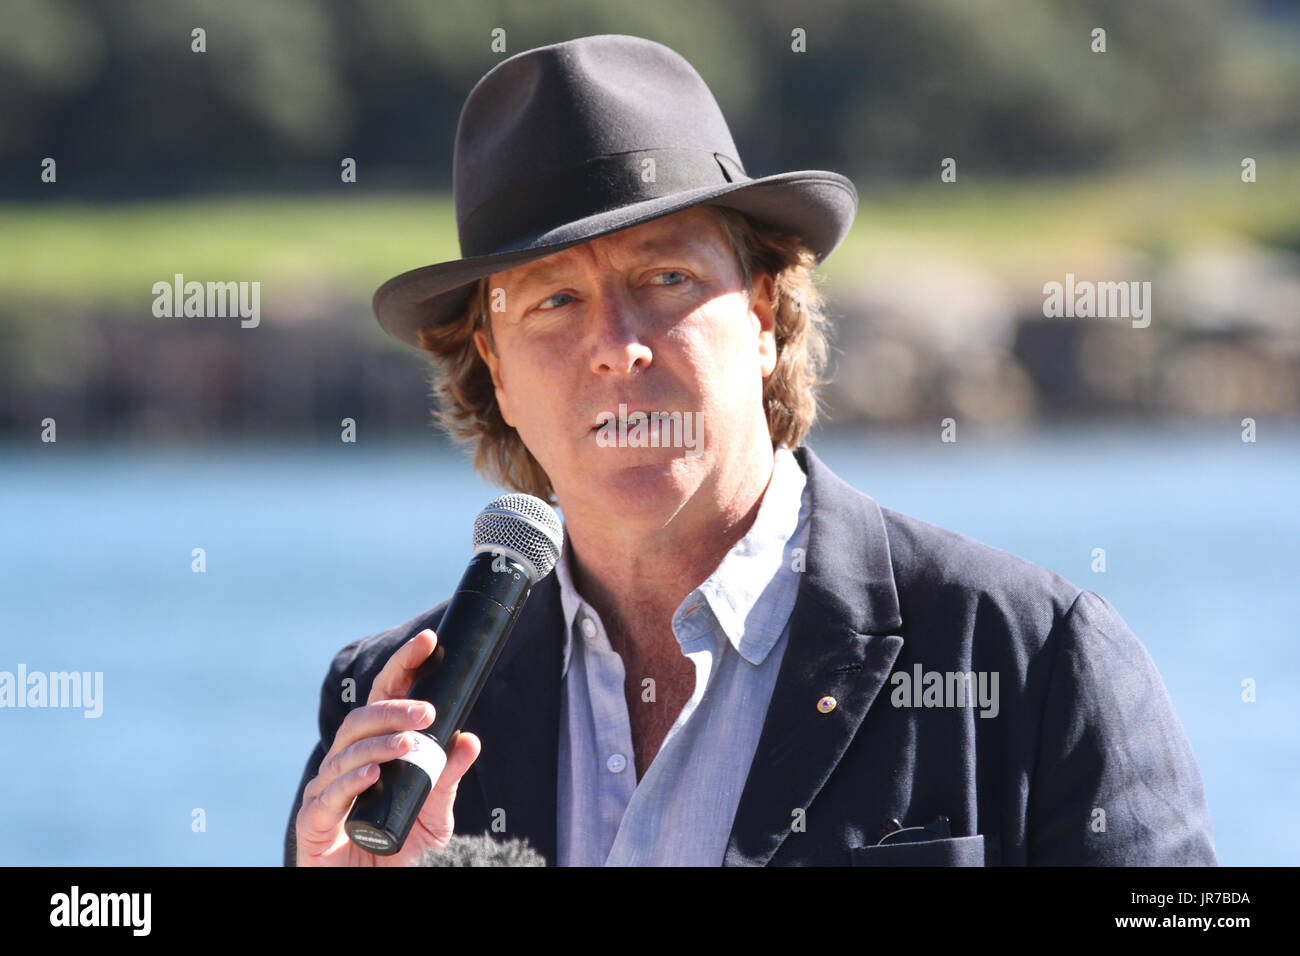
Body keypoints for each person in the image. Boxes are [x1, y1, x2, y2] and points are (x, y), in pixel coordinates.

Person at [285, 34, 1216, 866]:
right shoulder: (389, 711)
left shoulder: (1033, 659)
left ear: (765, 313)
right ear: (494, 369)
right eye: (553, 301)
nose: (617, 344)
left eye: (666, 276)